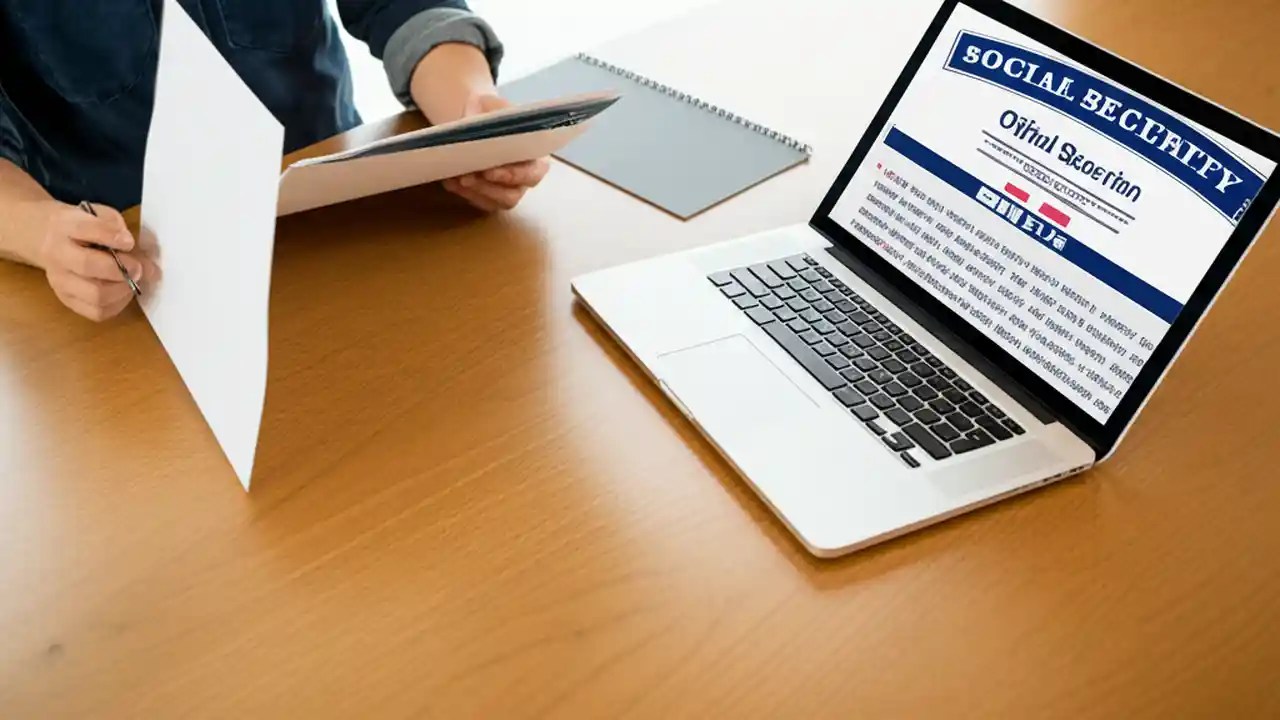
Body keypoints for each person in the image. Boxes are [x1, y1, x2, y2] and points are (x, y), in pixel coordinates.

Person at [0, 0, 547, 321]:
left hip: (346, 222)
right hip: (135, 277)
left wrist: (473, 118)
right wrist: (43, 234)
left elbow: (406, 6)